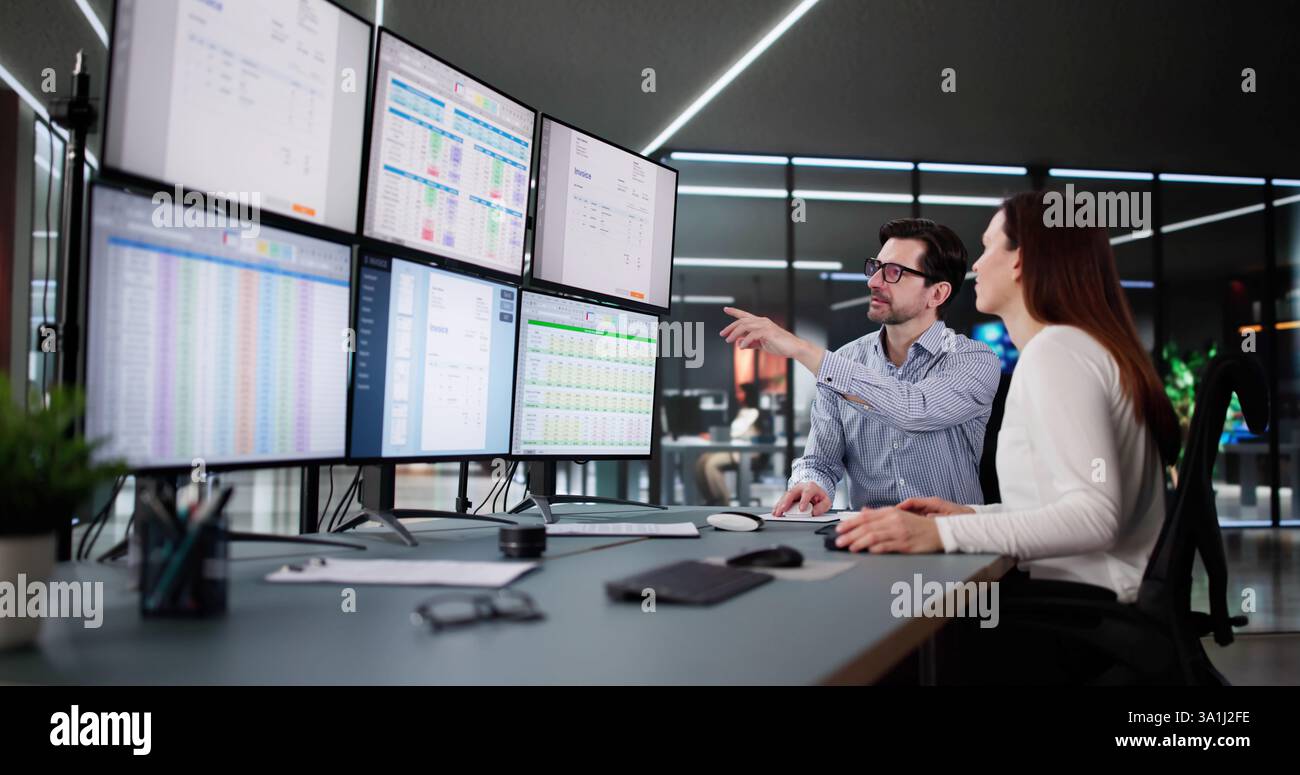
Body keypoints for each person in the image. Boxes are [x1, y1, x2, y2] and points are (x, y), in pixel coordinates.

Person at [833, 192, 1180, 609]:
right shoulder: (1078, 347)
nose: (977, 264)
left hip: (1080, 608)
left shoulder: (1058, 350)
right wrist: (972, 517)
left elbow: (1094, 519)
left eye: (988, 246)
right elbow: (1058, 509)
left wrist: (940, 535)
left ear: (1020, 259)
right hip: (1084, 597)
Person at [719, 218, 1000, 516]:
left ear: (937, 294)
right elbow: (820, 462)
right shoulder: (847, 359)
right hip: (871, 541)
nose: (873, 282)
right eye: (876, 268)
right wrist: (811, 484)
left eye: (894, 272)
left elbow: (913, 409)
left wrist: (803, 350)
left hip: (953, 544)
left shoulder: (973, 360)